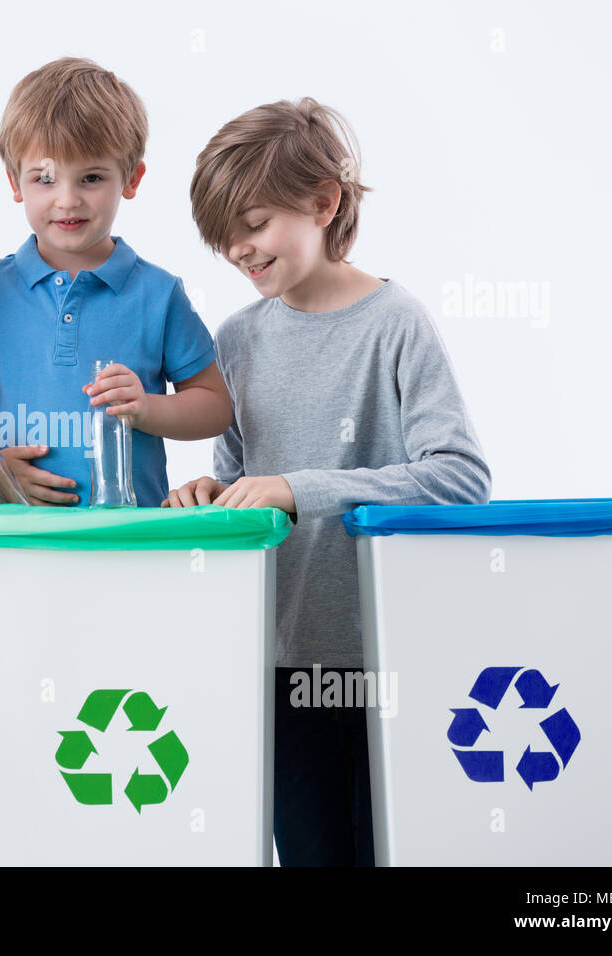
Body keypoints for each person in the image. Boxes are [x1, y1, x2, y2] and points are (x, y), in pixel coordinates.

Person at [165, 98, 491, 866]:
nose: (240, 251)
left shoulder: (395, 323)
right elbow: (245, 481)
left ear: (323, 201)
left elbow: (461, 477)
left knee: (383, 848)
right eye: (224, 240)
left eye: (254, 224)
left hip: (382, 658)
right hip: (277, 660)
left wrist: (301, 488)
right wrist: (210, 501)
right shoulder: (239, 340)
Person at [0, 57, 231, 507]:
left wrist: (148, 408)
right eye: (44, 179)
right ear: (15, 182)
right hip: (16, 541)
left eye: (91, 178)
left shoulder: (159, 293)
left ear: (131, 178)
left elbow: (214, 408)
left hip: (128, 540)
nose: (67, 199)